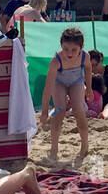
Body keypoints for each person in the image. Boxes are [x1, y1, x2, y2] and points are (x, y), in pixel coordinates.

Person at [39, 26, 92, 163]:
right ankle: (54, 149)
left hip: (77, 81)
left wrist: (89, 88)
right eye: (66, 49)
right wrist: (44, 112)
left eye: (74, 50)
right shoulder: (56, 60)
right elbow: (48, 88)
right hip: (59, 82)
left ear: (81, 47)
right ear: (61, 45)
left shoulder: (85, 56)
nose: (69, 53)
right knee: (60, 110)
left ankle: (85, 145)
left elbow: (88, 69)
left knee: (79, 110)